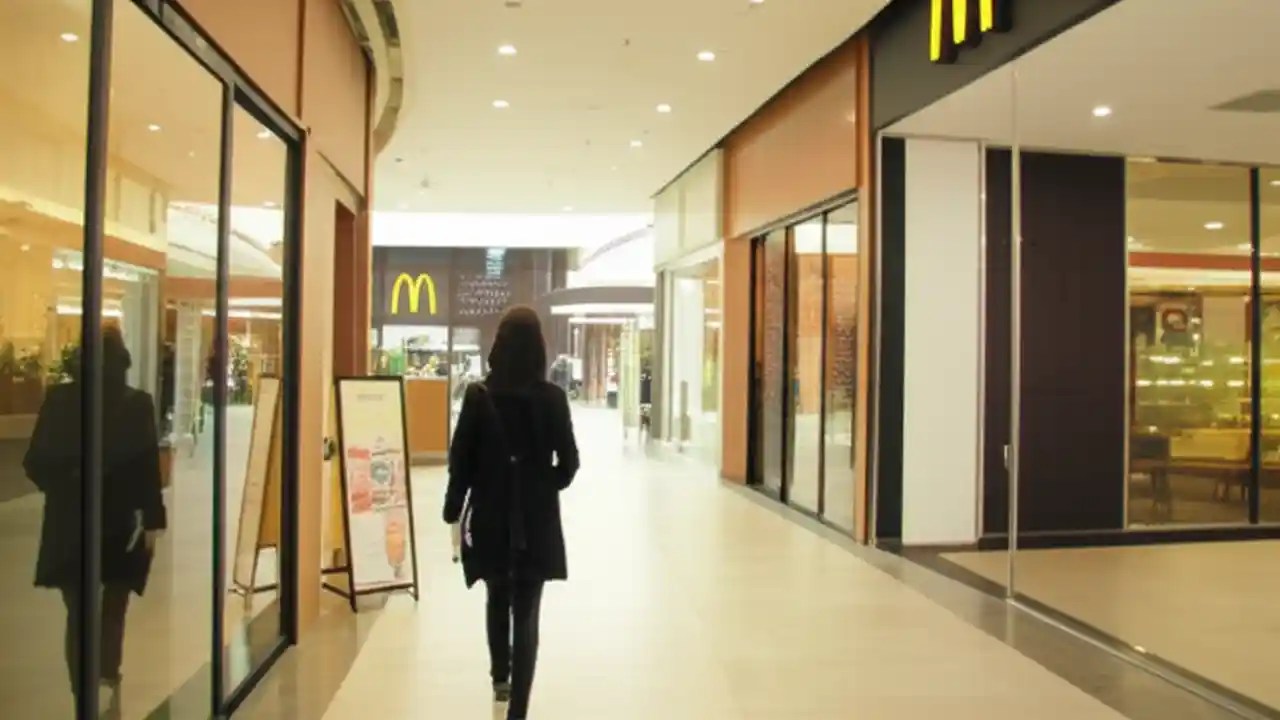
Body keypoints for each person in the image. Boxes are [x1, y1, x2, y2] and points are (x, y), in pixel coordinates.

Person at [443, 306, 579, 720]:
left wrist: (453, 509)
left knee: (497, 595)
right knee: (528, 609)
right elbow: (569, 463)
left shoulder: (478, 396)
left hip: (490, 517)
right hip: (535, 523)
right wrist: (542, 485)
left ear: (498, 345)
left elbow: (460, 460)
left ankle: (499, 682)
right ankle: (518, 708)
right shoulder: (552, 398)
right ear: (538, 347)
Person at [25, 325, 166, 716]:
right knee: (113, 609)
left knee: (78, 613)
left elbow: (34, 463)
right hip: (122, 523)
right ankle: (107, 683)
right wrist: (153, 520)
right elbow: (146, 470)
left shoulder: (59, 400)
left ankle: (82, 697)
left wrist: (68, 484)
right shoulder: (137, 403)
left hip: (71, 523)